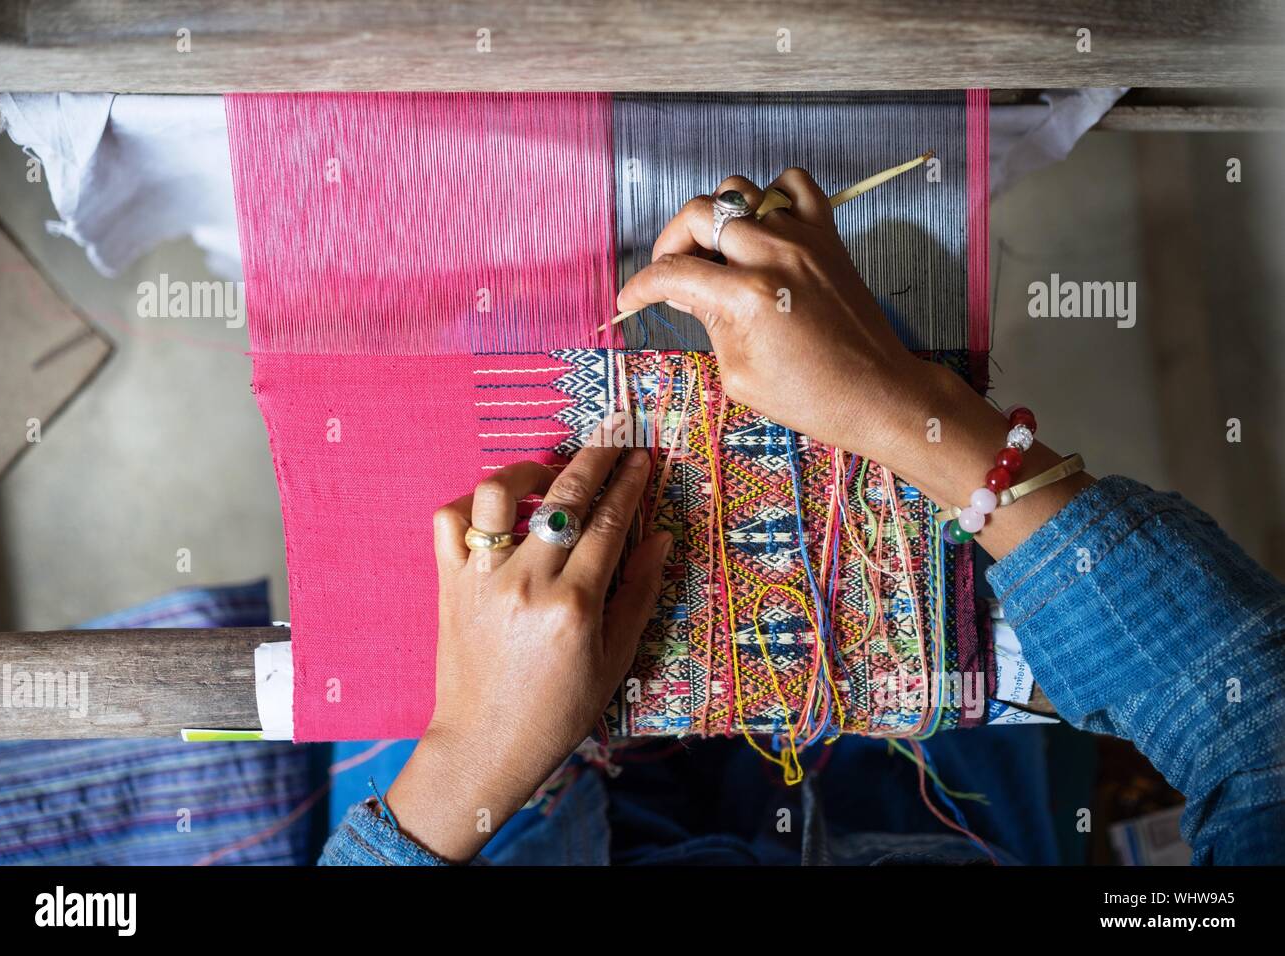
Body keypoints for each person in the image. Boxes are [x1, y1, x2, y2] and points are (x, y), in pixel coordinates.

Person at [320, 169, 1284, 866]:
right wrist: (904, 406)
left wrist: (470, 762)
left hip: (526, 811)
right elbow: (1261, 736)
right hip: (934, 813)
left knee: (415, 567)